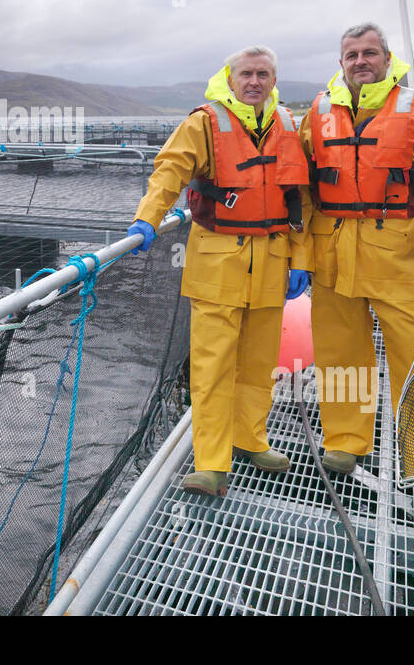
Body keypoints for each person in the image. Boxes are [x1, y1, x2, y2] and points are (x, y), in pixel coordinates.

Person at [128, 46, 312, 496]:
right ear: (230, 79)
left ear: (273, 80)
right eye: (246, 73)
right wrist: (147, 218)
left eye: (263, 74)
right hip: (217, 262)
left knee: (258, 363)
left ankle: (251, 440)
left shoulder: (288, 124)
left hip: (272, 260)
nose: (254, 81)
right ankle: (212, 463)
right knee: (211, 367)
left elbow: (301, 202)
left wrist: (301, 261)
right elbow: (169, 170)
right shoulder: (203, 122)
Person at [299, 22, 414, 475]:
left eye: (370, 53)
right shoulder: (316, 114)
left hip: (399, 256)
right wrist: (298, 255)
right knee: (339, 354)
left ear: (387, 58)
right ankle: (344, 440)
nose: (361, 62)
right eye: (352, 54)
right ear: (341, 63)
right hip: (331, 255)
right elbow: (297, 184)